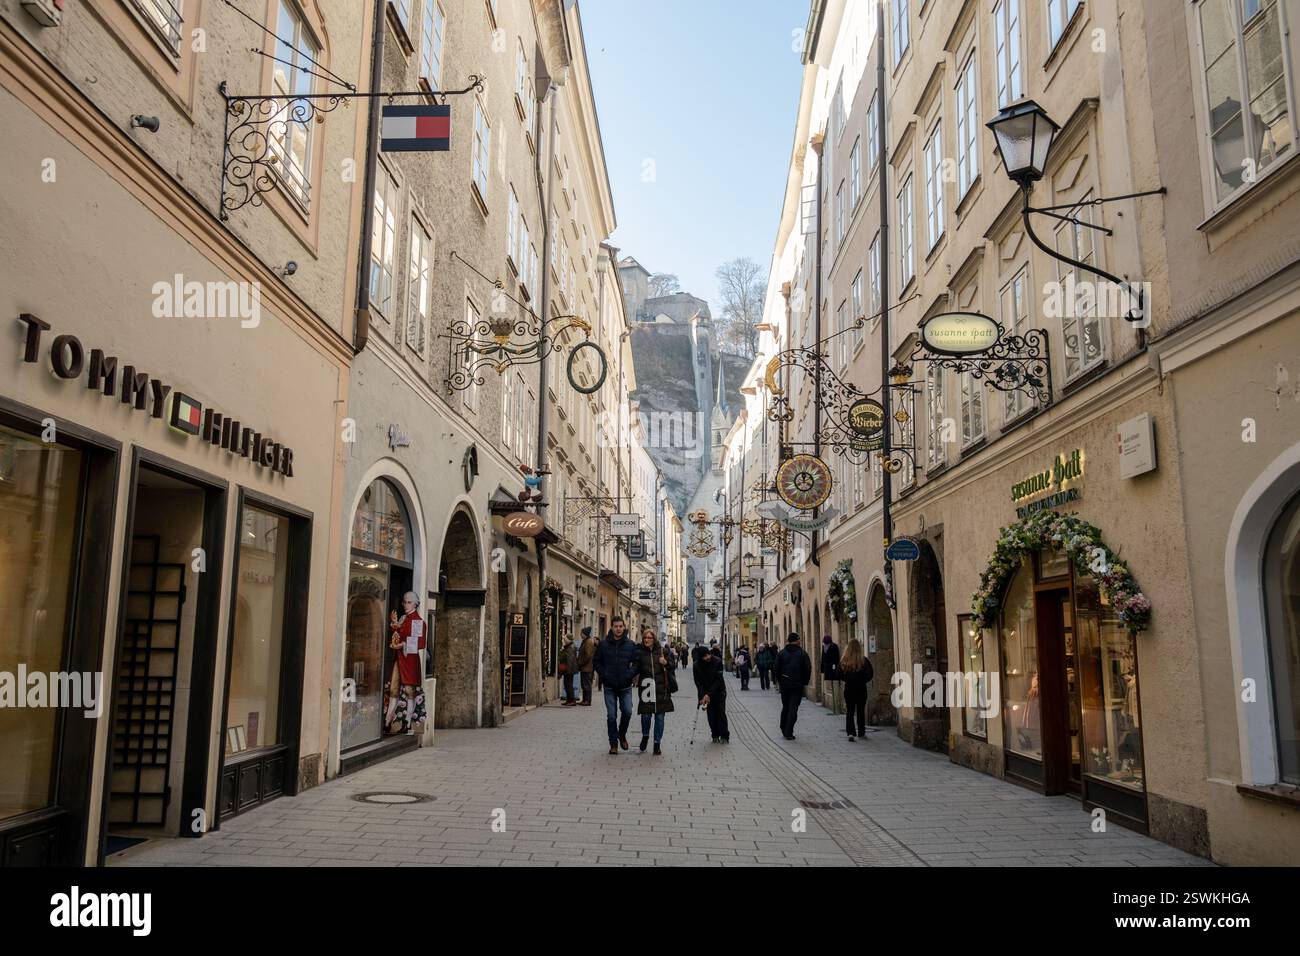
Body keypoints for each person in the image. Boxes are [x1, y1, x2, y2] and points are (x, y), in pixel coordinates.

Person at [592, 616, 639, 754]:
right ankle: (613, 744)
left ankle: (622, 734)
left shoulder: (630, 645)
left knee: (628, 711)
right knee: (611, 716)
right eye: (616, 626)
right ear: (611, 628)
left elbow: (636, 663)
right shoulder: (603, 645)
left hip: (625, 685)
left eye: (620, 626)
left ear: (624, 628)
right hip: (609, 686)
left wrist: (629, 674)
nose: (618, 629)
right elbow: (597, 662)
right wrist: (604, 674)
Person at [386, 592, 427, 735]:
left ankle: (407, 723)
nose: (406, 605)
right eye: (404, 602)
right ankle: (388, 721)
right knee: (394, 689)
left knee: (410, 691)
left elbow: (420, 643)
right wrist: (395, 625)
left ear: (415, 604)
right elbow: (398, 634)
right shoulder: (404, 619)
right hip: (400, 659)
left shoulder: (417, 621)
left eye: (409, 602)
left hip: (410, 661)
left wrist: (402, 644)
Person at [635, 627, 676, 755]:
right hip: (646, 689)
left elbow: (672, 666)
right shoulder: (640, 652)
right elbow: (635, 668)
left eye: (649, 638)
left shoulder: (662, 651)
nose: (647, 640)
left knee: (660, 717)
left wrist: (666, 663)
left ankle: (657, 743)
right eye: (645, 638)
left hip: (661, 689)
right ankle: (645, 736)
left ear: (654, 639)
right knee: (646, 716)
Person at [775, 632, 811, 740]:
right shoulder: (802, 653)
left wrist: (780, 680)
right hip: (797, 685)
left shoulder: (781, 653)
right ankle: (788, 731)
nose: (800, 641)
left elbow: (776, 668)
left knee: (786, 706)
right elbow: (807, 669)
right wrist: (804, 682)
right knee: (793, 708)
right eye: (799, 639)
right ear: (796, 640)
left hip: (785, 684)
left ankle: (783, 727)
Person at [693, 643, 729, 743]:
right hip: (705, 694)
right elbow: (698, 682)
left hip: (719, 692)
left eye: (708, 654)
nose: (708, 657)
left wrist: (708, 694)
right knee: (711, 716)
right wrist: (703, 695)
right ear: (700, 658)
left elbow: (719, 681)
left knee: (721, 714)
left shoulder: (717, 662)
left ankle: (725, 735)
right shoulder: (696, 665)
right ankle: (715, 735)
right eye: (705, 656)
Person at [840, 638, 873, 741]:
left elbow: (839, 674)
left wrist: (847, 679)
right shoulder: (864, 660)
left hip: (849, 688)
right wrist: (862, 680)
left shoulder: (844, 661)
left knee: (850, 710)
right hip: (861, 688)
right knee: (860, 711)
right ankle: (861, 732)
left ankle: (850, 733)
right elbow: (870, 674)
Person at [822, 635, 842, 715]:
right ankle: (834, 710)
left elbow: (836, 658)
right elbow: (823, 658)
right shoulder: (824, 647)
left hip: (833, 669)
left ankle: (836, 710)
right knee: (832, 686)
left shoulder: (834, 646)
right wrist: (823, 669)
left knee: (835, 687)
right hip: (828, 669)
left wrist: (835, 667)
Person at [576, 626, 597, 706]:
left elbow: (587, 655)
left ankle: (587, 700)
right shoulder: (586, 641)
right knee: (584, 684)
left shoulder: (588, 642)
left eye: (581, 633)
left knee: (586, 684)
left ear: (585, 634)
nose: (580, 634)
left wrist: (581, 662)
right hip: (585, 667)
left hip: (587, 667)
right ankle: (585, 700)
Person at [559, 633, 580, 706]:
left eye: (565, 639)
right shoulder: (569, 646)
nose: (564, 640)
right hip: (568, 669)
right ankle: (569, 700)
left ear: (568, 640)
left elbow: (570, 660)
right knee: (567, 685)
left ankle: (572, 701)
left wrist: (568, 670)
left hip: (569, 669)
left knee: (569, 685)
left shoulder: (570, 647)